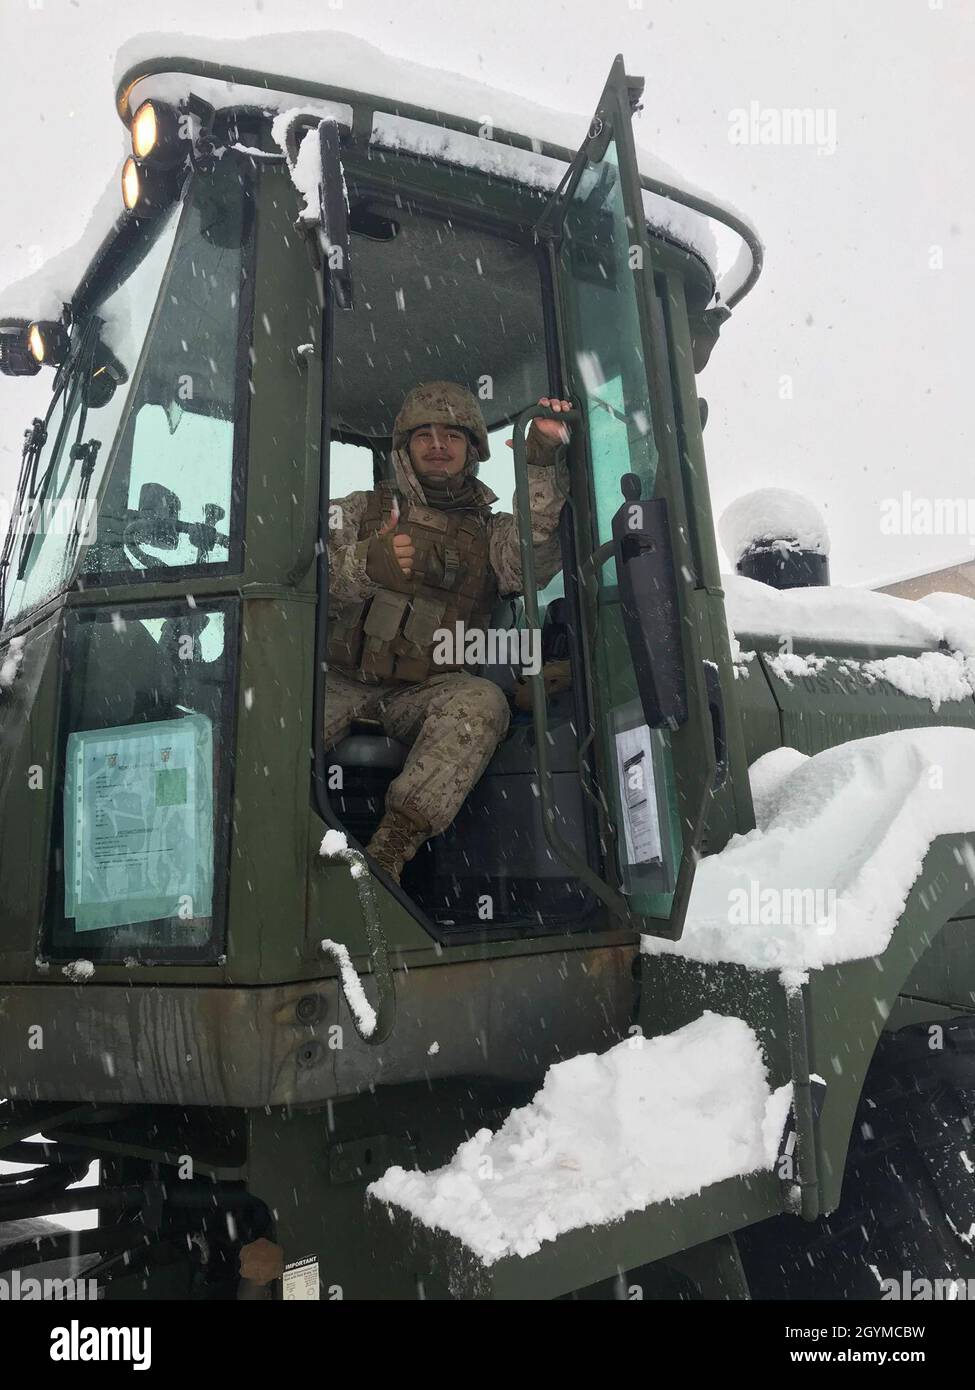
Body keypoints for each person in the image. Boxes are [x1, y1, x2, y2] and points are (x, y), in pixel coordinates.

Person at [326, 380, 571, 881]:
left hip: (424, 691)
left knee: (482, 702)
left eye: (453, 436)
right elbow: (304, 583)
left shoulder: (489, 532)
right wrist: (364, 565)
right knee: (262, 725)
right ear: (405, 447)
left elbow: (535, 553)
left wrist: (540, 462)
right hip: (338, 681)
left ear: (473, 451)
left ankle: (387, 858)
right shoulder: (355, 509)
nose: (438, 446)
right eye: (425, 435)